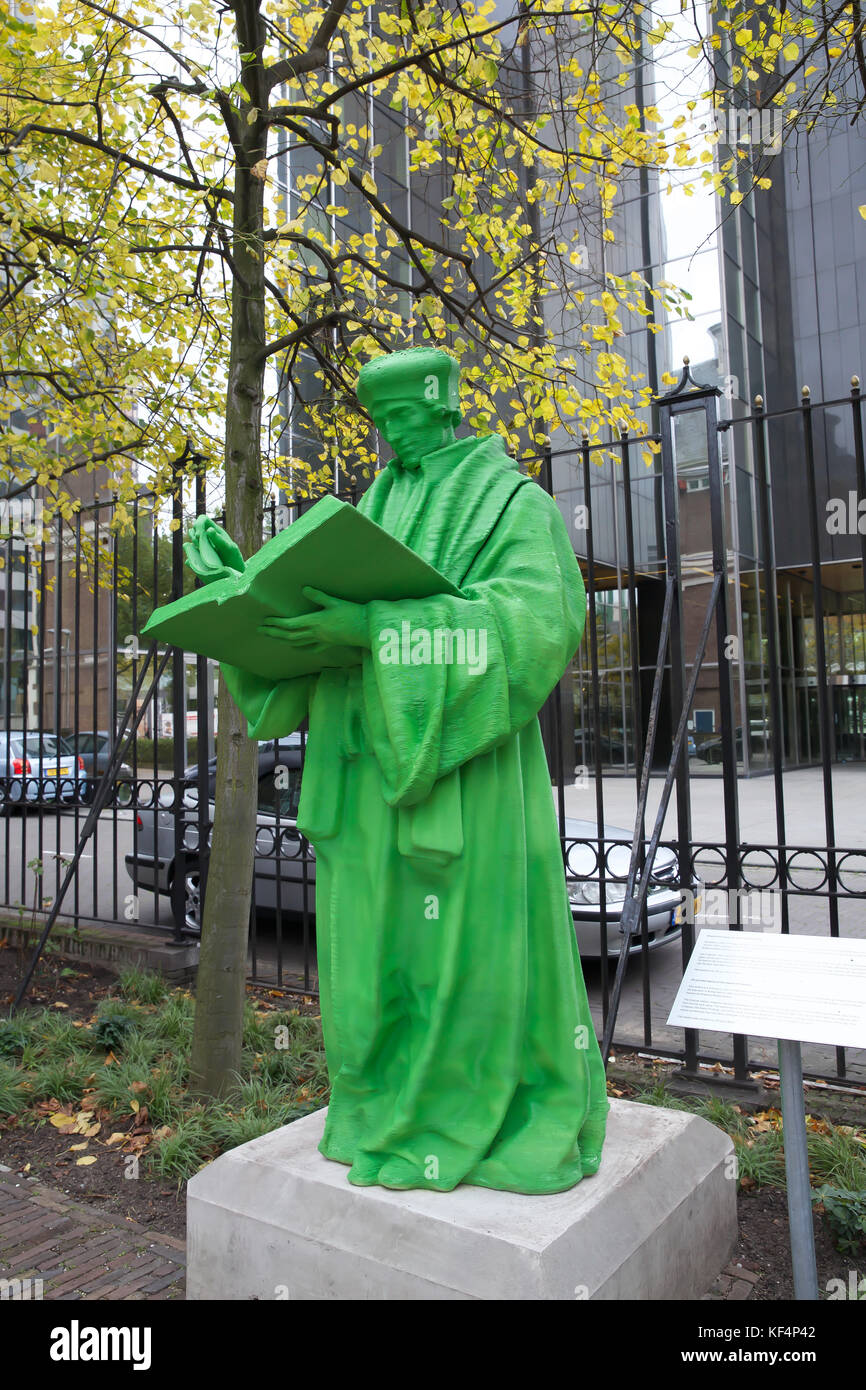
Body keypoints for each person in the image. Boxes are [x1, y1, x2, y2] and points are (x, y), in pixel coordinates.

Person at [185, 345, 608, 1193]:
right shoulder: (377, 501)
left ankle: (461, 1115)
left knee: (456, 957)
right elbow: (305, 639)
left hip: (460, 779)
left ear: (446, 408)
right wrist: (245, 597)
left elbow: (539, 622)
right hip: (360, 778)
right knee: (370, 963)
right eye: (381, 426)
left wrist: (374, 632)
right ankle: (381, 1109)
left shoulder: (513, 504)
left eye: (404, 421)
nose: (390, 439)